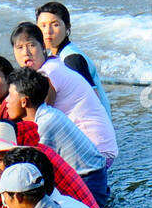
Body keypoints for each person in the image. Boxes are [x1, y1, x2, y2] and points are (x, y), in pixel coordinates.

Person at [11, 21, 118, 166]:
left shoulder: (48, 74)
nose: (26, 52)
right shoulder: (54, 63)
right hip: (98, 147)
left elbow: (38, 118)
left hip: (95, 151)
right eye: (20, 47)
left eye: (31, 45)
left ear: (43, 47)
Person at [7, 67, 110, 208]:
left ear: (24, 102)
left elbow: (38, 168)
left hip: (90, 182)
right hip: (96, 176)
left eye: (10, 96)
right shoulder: (47, 113)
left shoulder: (44, 124)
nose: (7, 101)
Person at [36, 1, 113, 118]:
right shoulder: (54, 54)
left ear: (67, 27)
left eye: (55, 25)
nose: (48, 31)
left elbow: (93, 98)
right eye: (43, 25)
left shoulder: (71, 59)